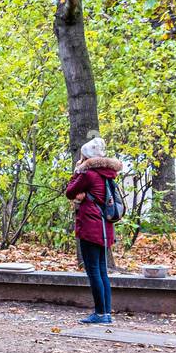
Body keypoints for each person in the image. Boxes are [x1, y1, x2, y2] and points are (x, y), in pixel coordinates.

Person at [64, 136, 123, 324]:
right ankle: (106, 313)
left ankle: (99, 314)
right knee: (102, 270)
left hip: (90, 227)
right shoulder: (108, 173)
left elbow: (69, 191)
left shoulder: (88, 174)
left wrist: (78, 170)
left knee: (94, 271)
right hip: (105, 228)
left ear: (87, 156)